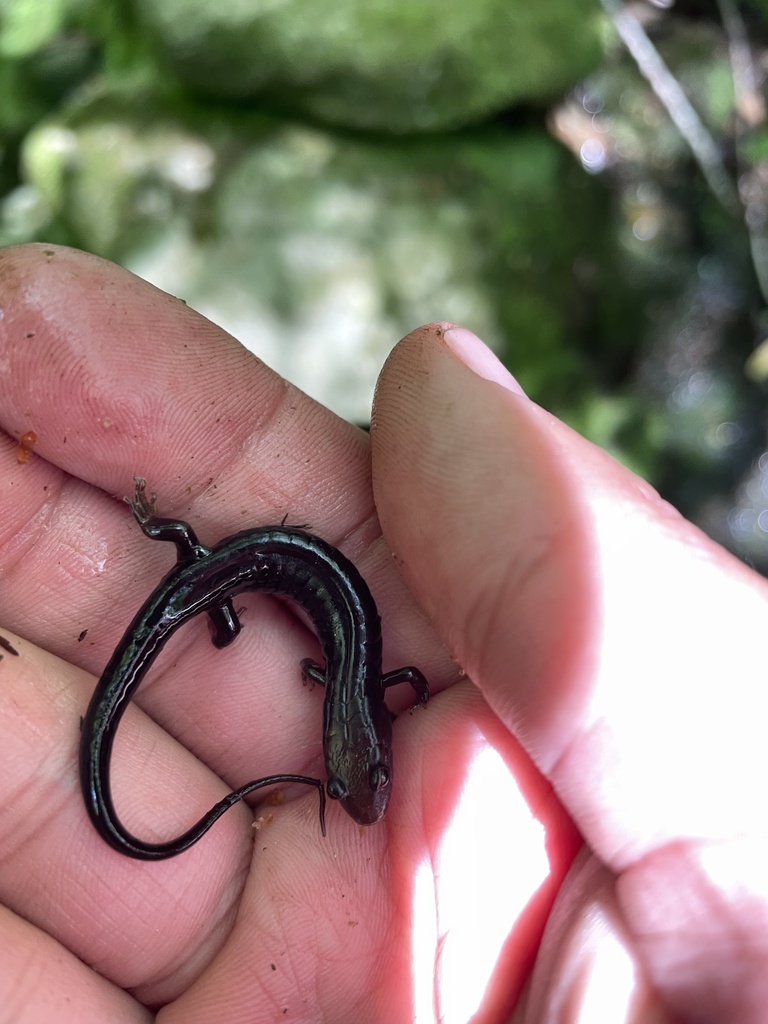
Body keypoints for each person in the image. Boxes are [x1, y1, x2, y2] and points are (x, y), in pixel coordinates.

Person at [0, 243, 763, 1024]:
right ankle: (157, 549)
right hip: (217, 576)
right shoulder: (357, 679)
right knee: (182, 611)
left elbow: (392, 684)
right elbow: (366, 680)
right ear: (360, 743)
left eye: (347, 784)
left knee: (189, 605)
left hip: (214, 574)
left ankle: (167, 564)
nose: (359, 793)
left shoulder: (369, 683)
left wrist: (244, 627)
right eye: (355, 782)